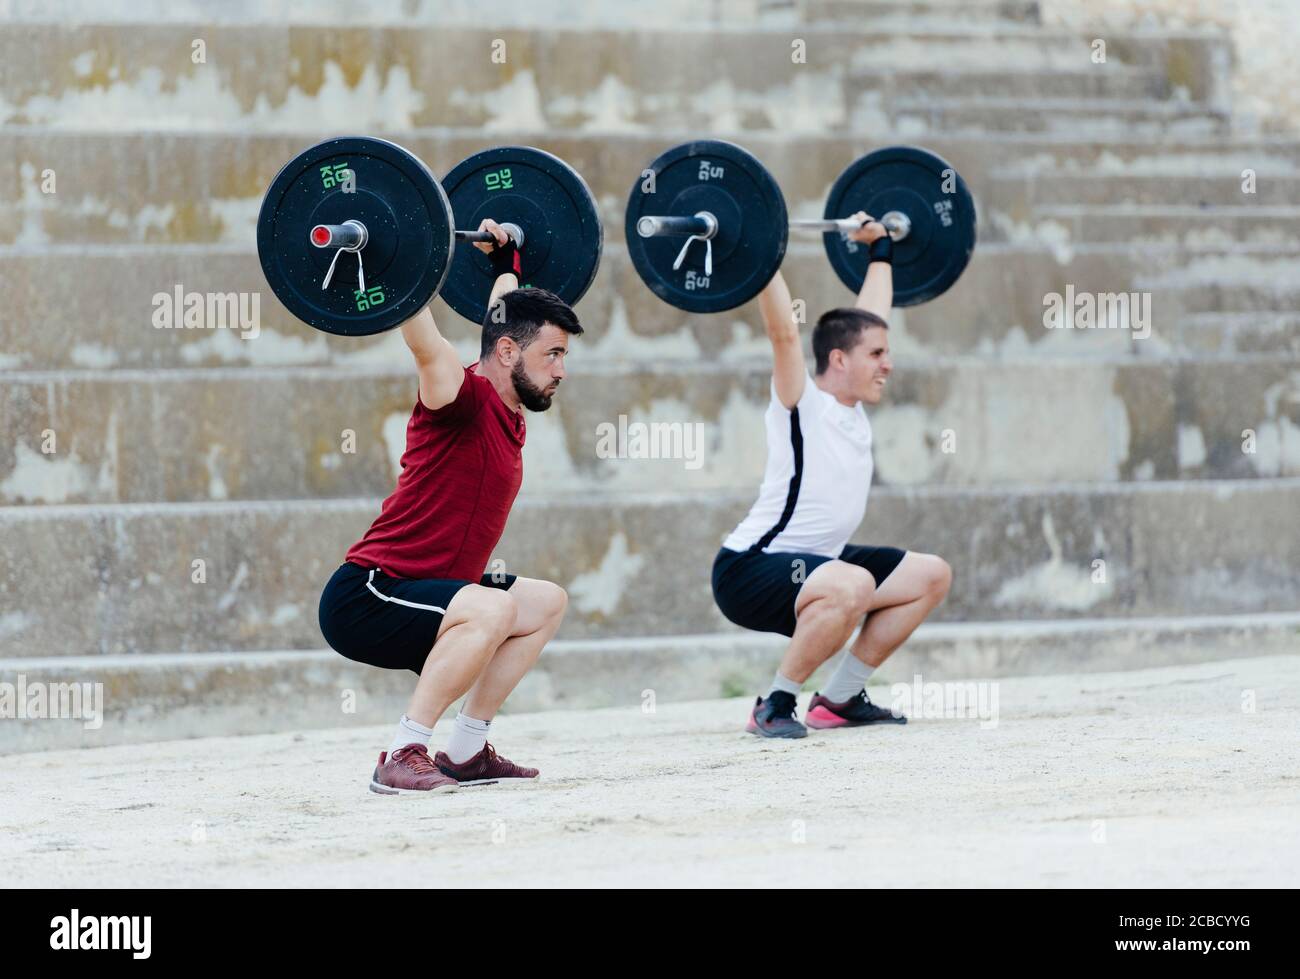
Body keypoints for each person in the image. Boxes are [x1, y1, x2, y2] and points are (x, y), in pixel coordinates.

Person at [318, 221, 582, 792]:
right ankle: (403, 752)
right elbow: (425, 344)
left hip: (437, 588)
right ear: (510, 352)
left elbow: (497, 320)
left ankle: (465, 751)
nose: (561, 369)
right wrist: (397, 254)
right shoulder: (456, 397)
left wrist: (506, 260)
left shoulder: (507, 402)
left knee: (543, 603)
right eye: (553, 354)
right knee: (491, 610)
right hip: (370, 593)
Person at [712, 212, 953, 738]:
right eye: (877, 356)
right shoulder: (802, 403)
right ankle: (774, 703)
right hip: (750, 570)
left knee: (930, 575)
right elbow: (783, 335)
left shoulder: (852, 404)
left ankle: (840, 698)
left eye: (887, 353)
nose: (887, 365)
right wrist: (762, 256)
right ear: (838, 360)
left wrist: (881, 249)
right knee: (855, 583)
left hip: (821, 563)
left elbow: (869, 317)